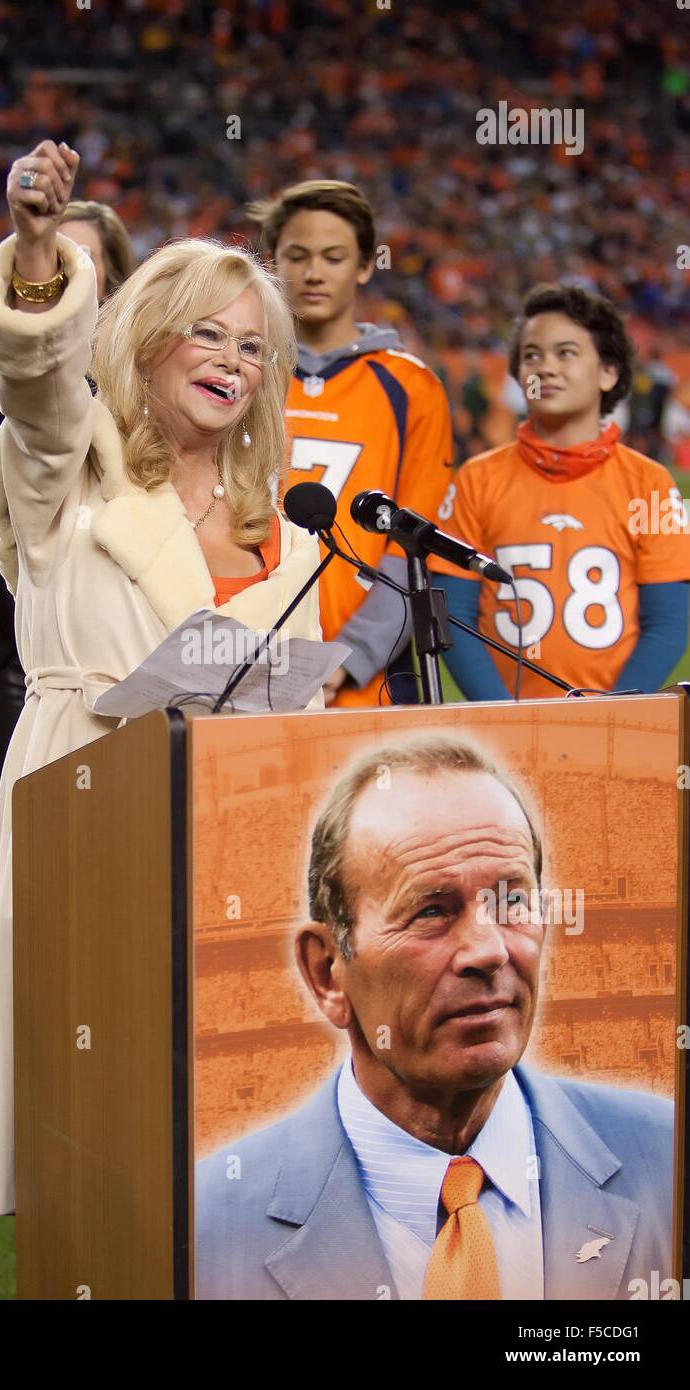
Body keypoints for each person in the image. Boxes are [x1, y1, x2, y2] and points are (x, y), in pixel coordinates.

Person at [0, 141, 324, 1215]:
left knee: (234, 1110)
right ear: (148, 338)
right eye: (206, 334)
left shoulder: (288, 524)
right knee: (101, 1107)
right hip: (89, 787)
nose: (230, 360)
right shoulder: (70, 463)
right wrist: (37, 252)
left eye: (253, 347)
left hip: (242, 825)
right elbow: (33, 380)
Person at [196, 736, 673, 1300]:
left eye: (512, 901)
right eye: (430, 911)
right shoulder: (206, 1229)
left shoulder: (667, 1159)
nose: (488, 950)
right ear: (327, 971)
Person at [0, 201, 136, 822]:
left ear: (110, 282)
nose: (60, 277)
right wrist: (50, 625)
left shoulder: (147, 390)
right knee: (33, 876)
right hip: (16, 660)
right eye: (49, 263)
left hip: (129, 671)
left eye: (78, 262)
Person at [247, 181, 453, 707]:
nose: (314, 272)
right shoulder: (235, 370)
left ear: (364, 266)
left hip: (366, 682)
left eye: (334, 257)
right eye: (297, 256)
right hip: (239, 663)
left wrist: (350, 656)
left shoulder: (411, 387)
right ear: (270, 264)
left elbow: (415, 549)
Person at [432, 284, 690, 700]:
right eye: (532, 355)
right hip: (506, 731)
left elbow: (668, 624)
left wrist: (611, 714)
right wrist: (503, 717)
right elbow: (453, 614)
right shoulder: (475, 480)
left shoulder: (650, 483)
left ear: (609, 371)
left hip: (612, 726)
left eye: (566, 353)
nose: (545, 368)